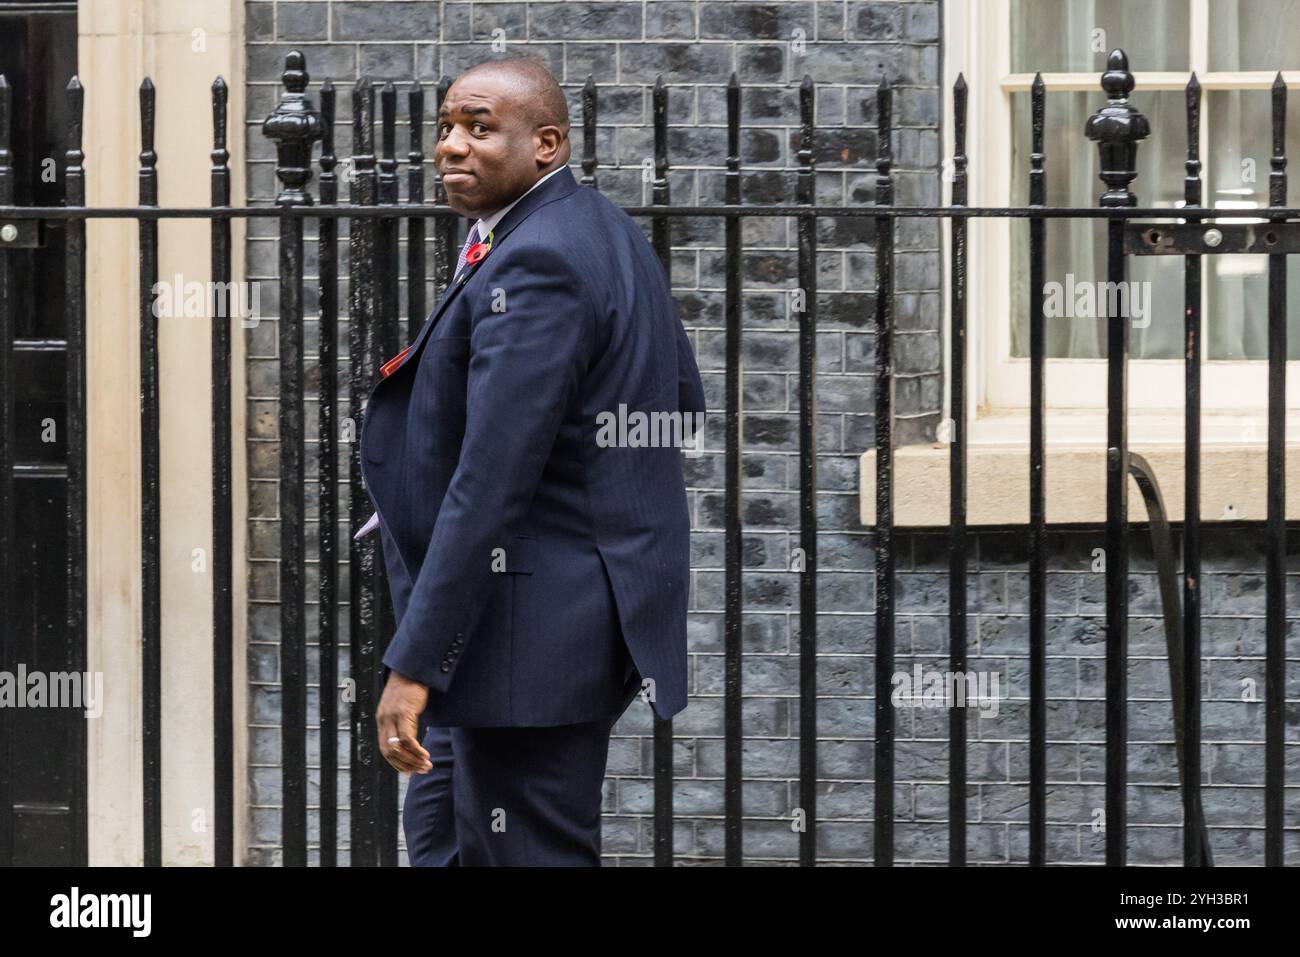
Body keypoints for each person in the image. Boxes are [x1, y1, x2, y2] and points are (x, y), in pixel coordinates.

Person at [358, 57, 705, 866]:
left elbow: (493, 479)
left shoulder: (537, 259)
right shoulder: (595, 228)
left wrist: (413, 662)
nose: (451, 146)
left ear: (547, 143)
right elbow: (678, 402)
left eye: (480, 128)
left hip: (528, 642)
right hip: (524, 629)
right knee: (443, 839)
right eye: (447, 127)